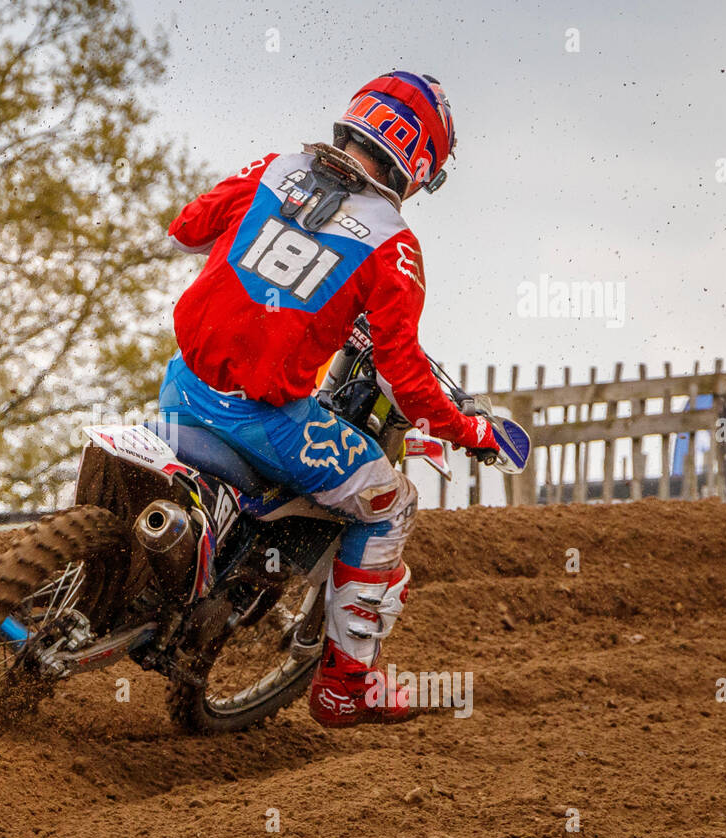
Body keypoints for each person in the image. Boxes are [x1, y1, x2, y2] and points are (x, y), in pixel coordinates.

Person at [158, 71, 500, 728]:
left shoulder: (275, 166)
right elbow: (403, 378)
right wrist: (471, 433)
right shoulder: (394, 245)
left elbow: (187, 229)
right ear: (419, 163)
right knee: (390, 504)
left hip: (185, 383)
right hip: (263, 421)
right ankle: (347, 688)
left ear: (355, 119)